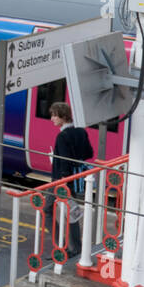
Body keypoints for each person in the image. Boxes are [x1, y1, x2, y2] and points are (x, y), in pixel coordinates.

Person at [50, 102, 94, 258]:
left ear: (62, 116)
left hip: (60, 181)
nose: (52, 119)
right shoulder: (81, 131)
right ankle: (74, 246)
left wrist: (62, 179)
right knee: (71, 212)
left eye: (54, 115)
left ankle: (63, 245)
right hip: (75, 179)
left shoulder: (62, 136)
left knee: (47, 209)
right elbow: (89, 152)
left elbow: (64, 160)